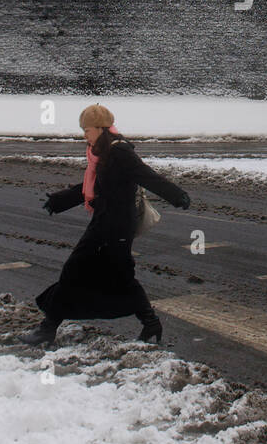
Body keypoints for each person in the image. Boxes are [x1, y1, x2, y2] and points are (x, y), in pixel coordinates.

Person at [19, 103, 190, 347]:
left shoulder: (119, 152)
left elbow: (147, 176)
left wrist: (177, 196)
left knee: (76, 270)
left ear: (101, 128)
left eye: (86, 129)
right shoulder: (101, 152)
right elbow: (93, 187)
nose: (84, 135)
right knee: (118, 276)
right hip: (105, 223)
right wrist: (59, 201)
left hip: (116, 226)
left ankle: (48, 328)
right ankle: (150, 323)